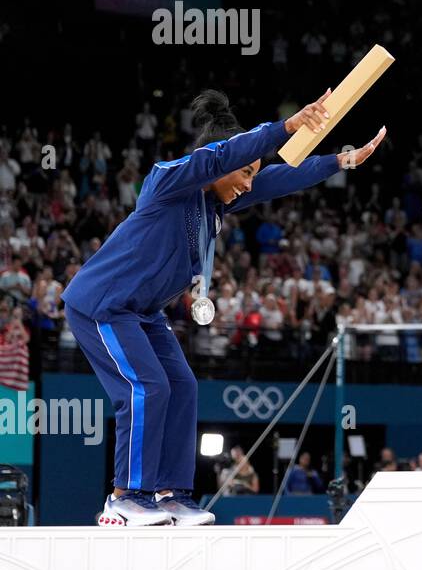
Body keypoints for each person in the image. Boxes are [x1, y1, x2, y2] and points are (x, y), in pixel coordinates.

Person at [61, 89, 386, 526]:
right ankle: (124, 498)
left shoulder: (217, 201)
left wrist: (340, 161)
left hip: (143, 313)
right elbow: (219, 158)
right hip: (102, 304)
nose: (249, 184)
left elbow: (282, 176)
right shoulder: (168, 180)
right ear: (222, 159)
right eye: (245, 172)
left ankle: (172, 493)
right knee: (147, 387)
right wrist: (284, 127)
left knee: (183, 386)